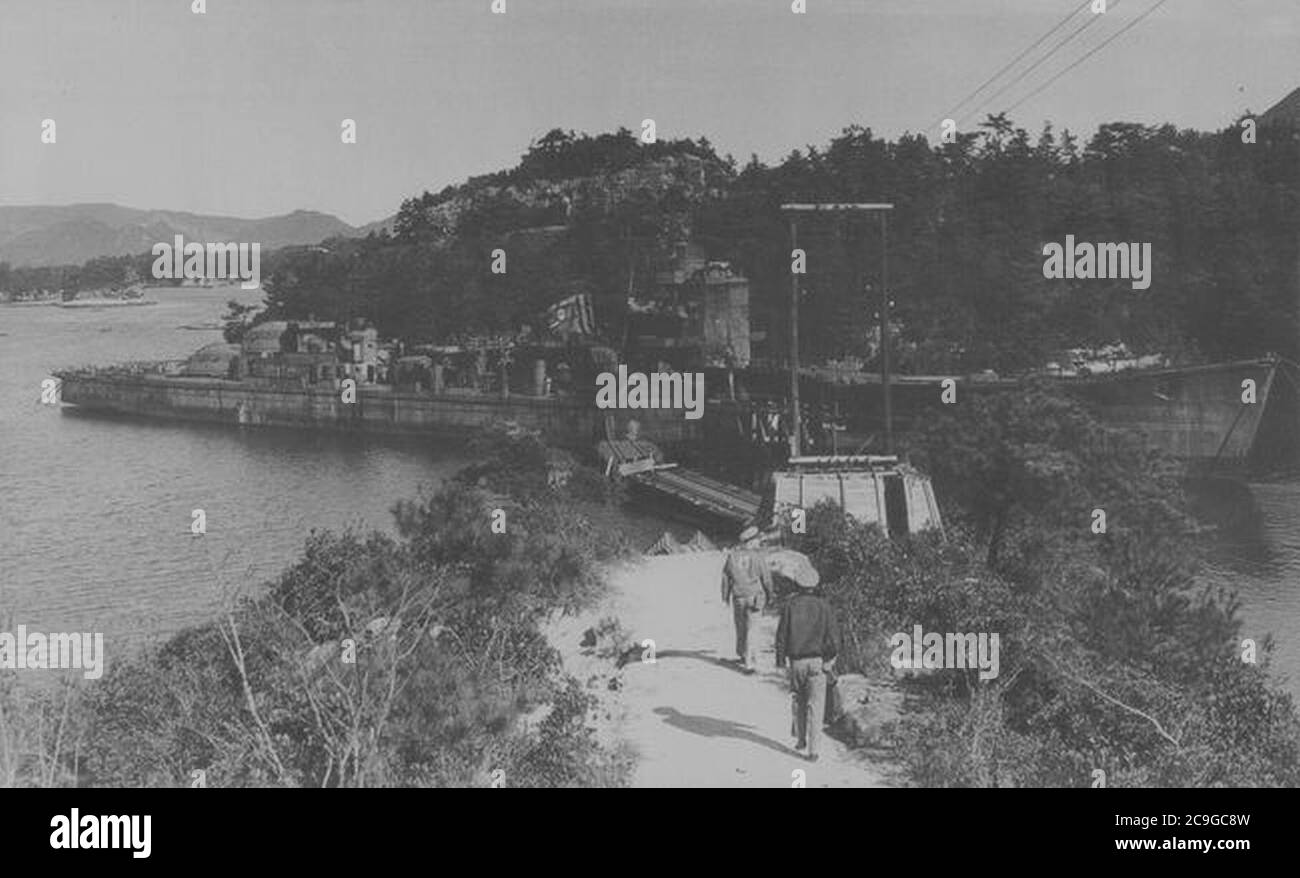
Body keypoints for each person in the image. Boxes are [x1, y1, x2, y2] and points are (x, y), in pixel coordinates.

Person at [775, 574, 839, 762]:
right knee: (816, 706)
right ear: (815, 584)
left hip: (796, 662)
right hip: (817, 662)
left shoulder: (789, 606)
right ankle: (814, 750)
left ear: (798, 584)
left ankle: (801, 739)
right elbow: (834, 638)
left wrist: (780, 661)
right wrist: (829, 660)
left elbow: (781, 636)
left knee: (799, 701)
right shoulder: (824, 606)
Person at [721, 525, 772, 674]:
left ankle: (742, 654)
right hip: (755, 597)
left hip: (738, 597)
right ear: (750, 542)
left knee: (741, 627)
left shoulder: (732, 556)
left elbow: (725, 578)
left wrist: (725, 596)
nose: (758, 542)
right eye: (756, 540)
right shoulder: (758, 557)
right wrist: (770, 594)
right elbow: (766, 579)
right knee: (752, 629)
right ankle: (750, 662)